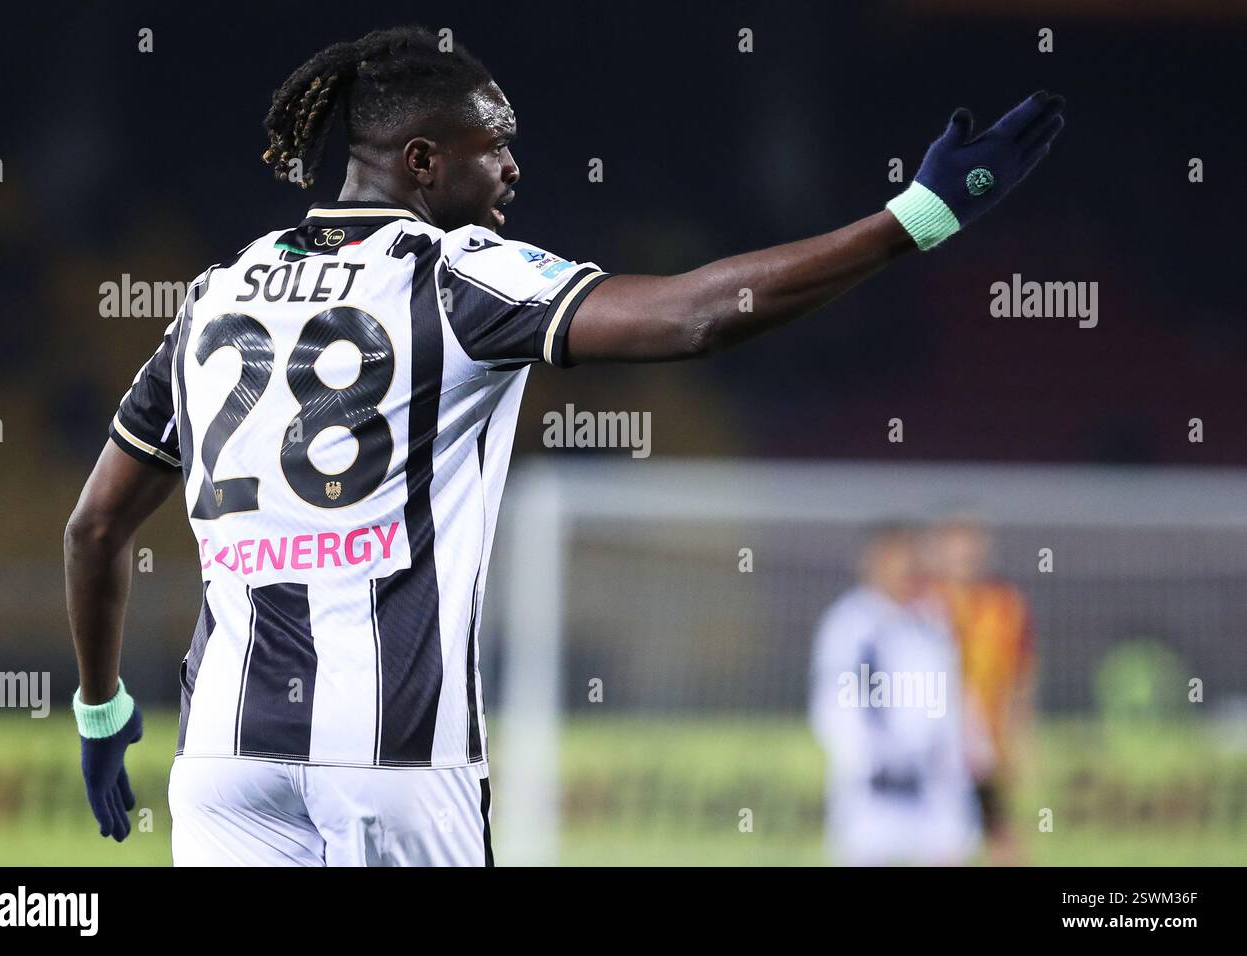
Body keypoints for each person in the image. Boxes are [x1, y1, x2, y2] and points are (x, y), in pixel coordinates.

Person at [63, 24, 1065, 865]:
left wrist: (102, 709)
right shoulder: (453, 274)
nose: (512, 168)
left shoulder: (212, 295)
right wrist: (913, 218)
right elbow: (693, 316)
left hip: (222, 759)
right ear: (421, 161)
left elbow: (97, 526)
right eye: (493, 145)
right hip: (396, 762)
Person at [809, 522, 981, 866]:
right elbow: (835, 707)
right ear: (874, 563)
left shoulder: (932, 620)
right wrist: (874, 762)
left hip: (934, 789)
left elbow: (951, 699)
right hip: (875, 790)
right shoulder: (851, 623)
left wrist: (967, 754)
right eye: (897, 560)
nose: (907, 569)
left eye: (912, 560)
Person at [926, 514, 1035, 865]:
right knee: (942, 845)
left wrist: (1020, 741)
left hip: (984, 747)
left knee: (1004, 842)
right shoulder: (922, 602)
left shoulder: (1005, 605)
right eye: (957, 551)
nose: (966, 559)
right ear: (938, 552)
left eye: (973, 550)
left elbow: (1020, 681)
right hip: (936, 748)